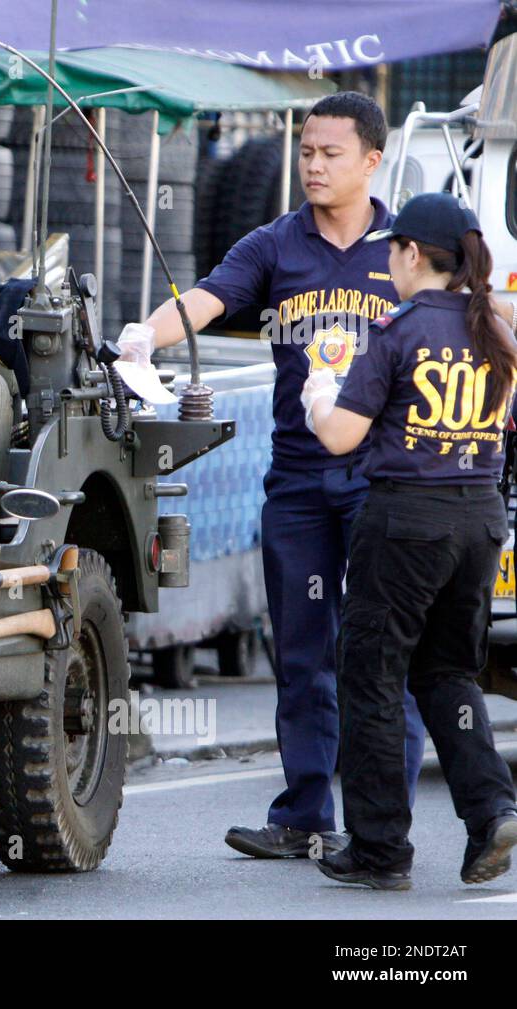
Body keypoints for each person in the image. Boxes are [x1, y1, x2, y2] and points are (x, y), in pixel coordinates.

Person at [118, 92, 434, 858]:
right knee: (300, 651)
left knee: (381, 648)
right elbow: (208, 297)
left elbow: (463, 319)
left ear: (371, 159)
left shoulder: (406, 249)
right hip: (297, 481)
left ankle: (377, 820)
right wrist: (144, 336)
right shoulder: (276, 244)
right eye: (305, 152)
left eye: (330, 153)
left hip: (382, 478)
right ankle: (302, 816)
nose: (314, 166)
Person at [305, 193, 517, 890]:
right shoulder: (495, 329)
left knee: (371, 673)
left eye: (392, 250)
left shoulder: (396, 330)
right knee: (448, 673)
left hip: (404, 521)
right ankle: (491, 810)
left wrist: (317, 392)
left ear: (411, 255)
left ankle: (378, 848)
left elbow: (340, 435)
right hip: (479, 522)